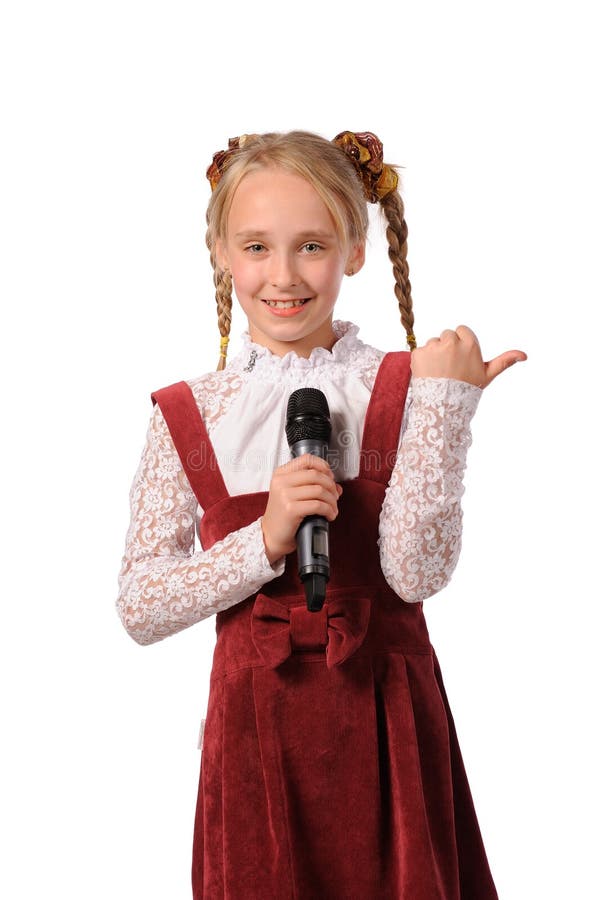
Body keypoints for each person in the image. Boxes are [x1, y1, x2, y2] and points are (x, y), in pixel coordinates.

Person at [116, 129, 526, 899]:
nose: (283, 276)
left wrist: (444, 406)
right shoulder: (190, 415)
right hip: (253, 740)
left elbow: (415, 571)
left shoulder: (411, 384)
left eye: (310, 246)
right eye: (256, 247)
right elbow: (140, 607)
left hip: (387, 723)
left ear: (354, 250)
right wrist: (263, 541)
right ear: (220, 253)